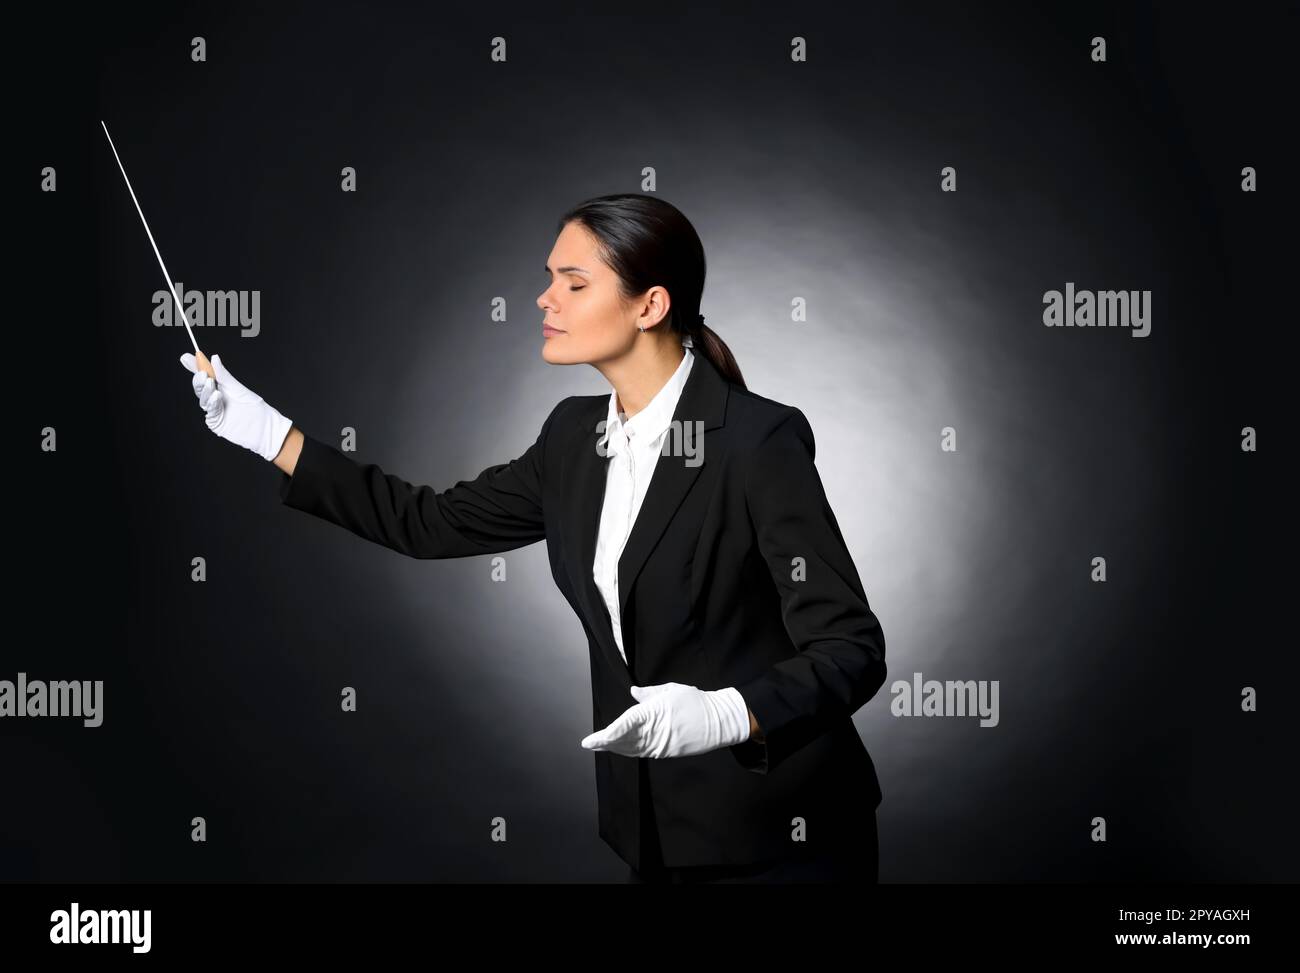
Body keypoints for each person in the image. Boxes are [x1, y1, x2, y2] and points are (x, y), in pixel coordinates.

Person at [180, 193, 887, 883]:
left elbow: (851, 648)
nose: (545, 299)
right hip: (652, 836)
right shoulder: (572, 437)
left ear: (651, 305)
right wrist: (272, 435)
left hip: (786, 838)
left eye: (573, 283)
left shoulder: (757, 441)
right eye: (550, 278)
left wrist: (727, 713)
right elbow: (428, 523)